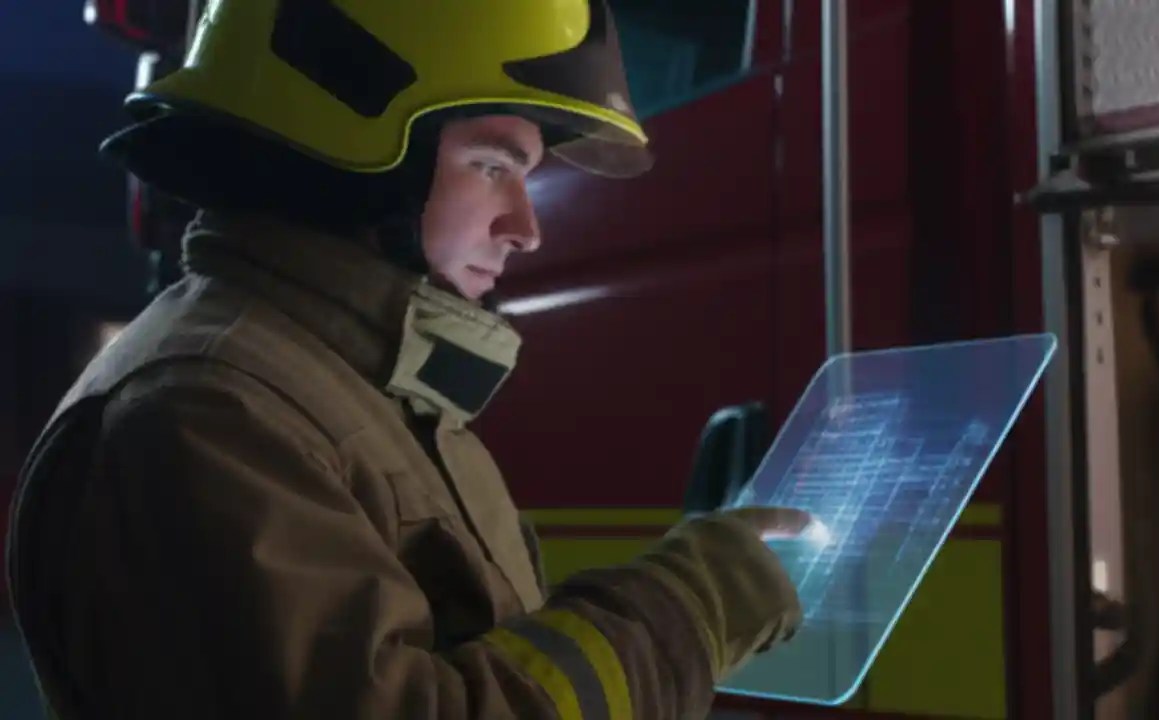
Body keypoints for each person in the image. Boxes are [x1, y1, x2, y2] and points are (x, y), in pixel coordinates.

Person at [6, 1, 810, 718]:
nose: (526, 227)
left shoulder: (341, 384)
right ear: (352, 145)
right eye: (493, 166)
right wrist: (684, 611)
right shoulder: (204, 414)